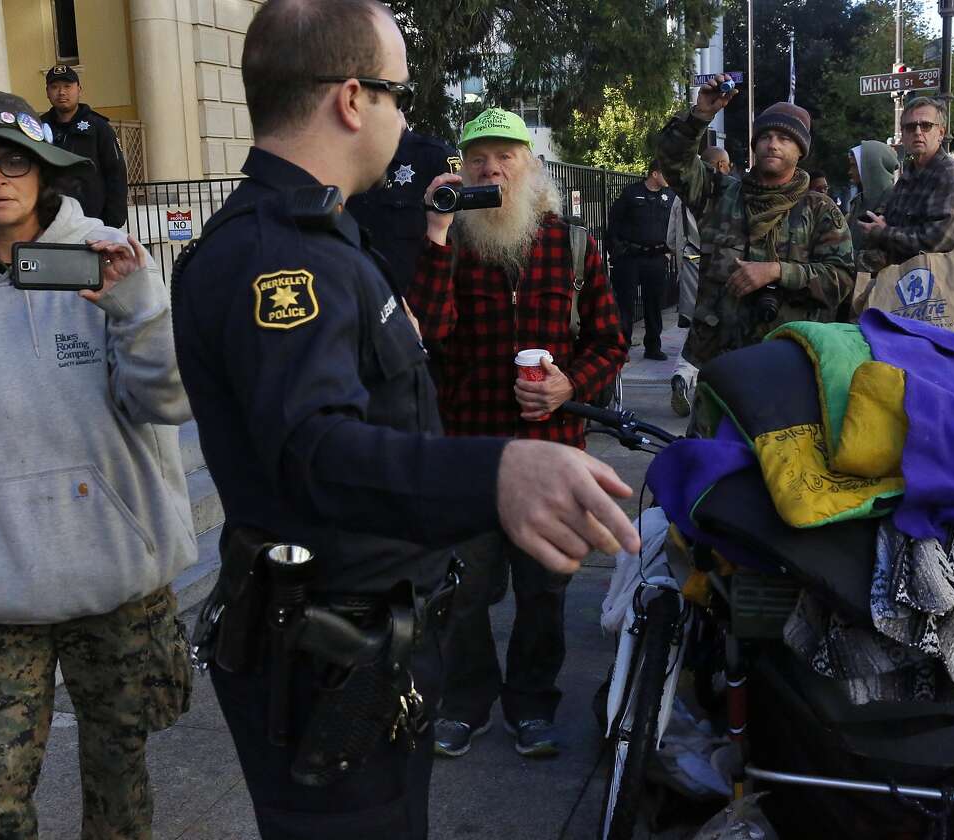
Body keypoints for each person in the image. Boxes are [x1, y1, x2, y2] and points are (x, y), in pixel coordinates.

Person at [169, 2, 640, 837]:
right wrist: (495, 470)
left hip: (360, 648)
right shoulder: (284, 252)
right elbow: (314, 451)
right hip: (325, 658)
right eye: (398, 95)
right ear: (353, 99)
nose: (406, 118)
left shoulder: (325, 235)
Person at [0, 90, 196, 838]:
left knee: (118, 778)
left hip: (111, 569)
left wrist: (138, 309)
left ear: (44, 172)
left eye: (13, 161)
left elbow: (170, 400)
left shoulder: (108, 258)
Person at [404, 106, 626, 759]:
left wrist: (569, 384)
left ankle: (532, 704)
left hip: (551, 452)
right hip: (469, 453)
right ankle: (467, 702)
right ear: (461, 168)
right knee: (464, 592)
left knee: (544, 590)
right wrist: (437, 232)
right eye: (478, 158)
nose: (491, 167)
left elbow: (609, 343)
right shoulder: (449, 244)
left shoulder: (573, 244)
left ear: (530, 166)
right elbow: (429, 332)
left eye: (505, 155)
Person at [656, 78, 854, 373]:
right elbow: (673, 162)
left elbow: (841, 280)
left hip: (791, 362)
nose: (773, 144)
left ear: (800, 150)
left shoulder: (819, 210)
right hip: (720, 358)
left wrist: (778, 271)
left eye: (785, 138)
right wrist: (700, 115)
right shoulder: (719, 194)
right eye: (766, 136)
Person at [858, 96, 954, 299]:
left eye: (926, 125)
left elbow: (939, 242)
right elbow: (894, 223)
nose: (917, 132)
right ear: (902, 136)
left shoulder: (953, 175)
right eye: (910, 127)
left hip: (946, 303)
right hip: (909, 296)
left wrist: (883, 232)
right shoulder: (908, 177)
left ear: (940, 133)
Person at [346, 123, 460, 294]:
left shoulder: (435, 157)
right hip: (353, 300)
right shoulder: (342, 157)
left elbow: (456, 245)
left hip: (416, 304)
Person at [668, 145, 730, 416]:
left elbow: (670, 238)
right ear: (719, 166)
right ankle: (714, 390)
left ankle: (683, 376)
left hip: (691, 265)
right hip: (721, 269)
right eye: (726, 165)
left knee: (697, 330)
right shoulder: (728, 193)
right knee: (721, 330)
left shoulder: (680, 197)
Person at [41, 64, 129, 228]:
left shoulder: (99, 128)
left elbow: (116, 174)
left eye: (67, 86)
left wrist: (111, 223)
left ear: (79, 89)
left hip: (93, 223)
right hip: (50, 224)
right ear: (47, 92)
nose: (61, 92)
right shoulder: (39, 128)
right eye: (55, 87)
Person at [606, 160, 675, 359]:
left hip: (656, 257)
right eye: (665, 173)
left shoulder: (670, 197)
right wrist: (616, 251)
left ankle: (653, 347)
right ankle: (623, 347)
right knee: (625, 304)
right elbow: (614, 223)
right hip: (630, 258)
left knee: (654, 304)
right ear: (654, 174)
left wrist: (670, 252)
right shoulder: (631, 193)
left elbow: (676, 224)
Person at [843, 140, 899, 319]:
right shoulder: (858, 202)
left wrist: (843, 263)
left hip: (883, 297)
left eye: (854, 166)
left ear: (870, 167)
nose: (849, 172)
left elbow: (888, 255)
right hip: (852, 293)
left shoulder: (896, 202)